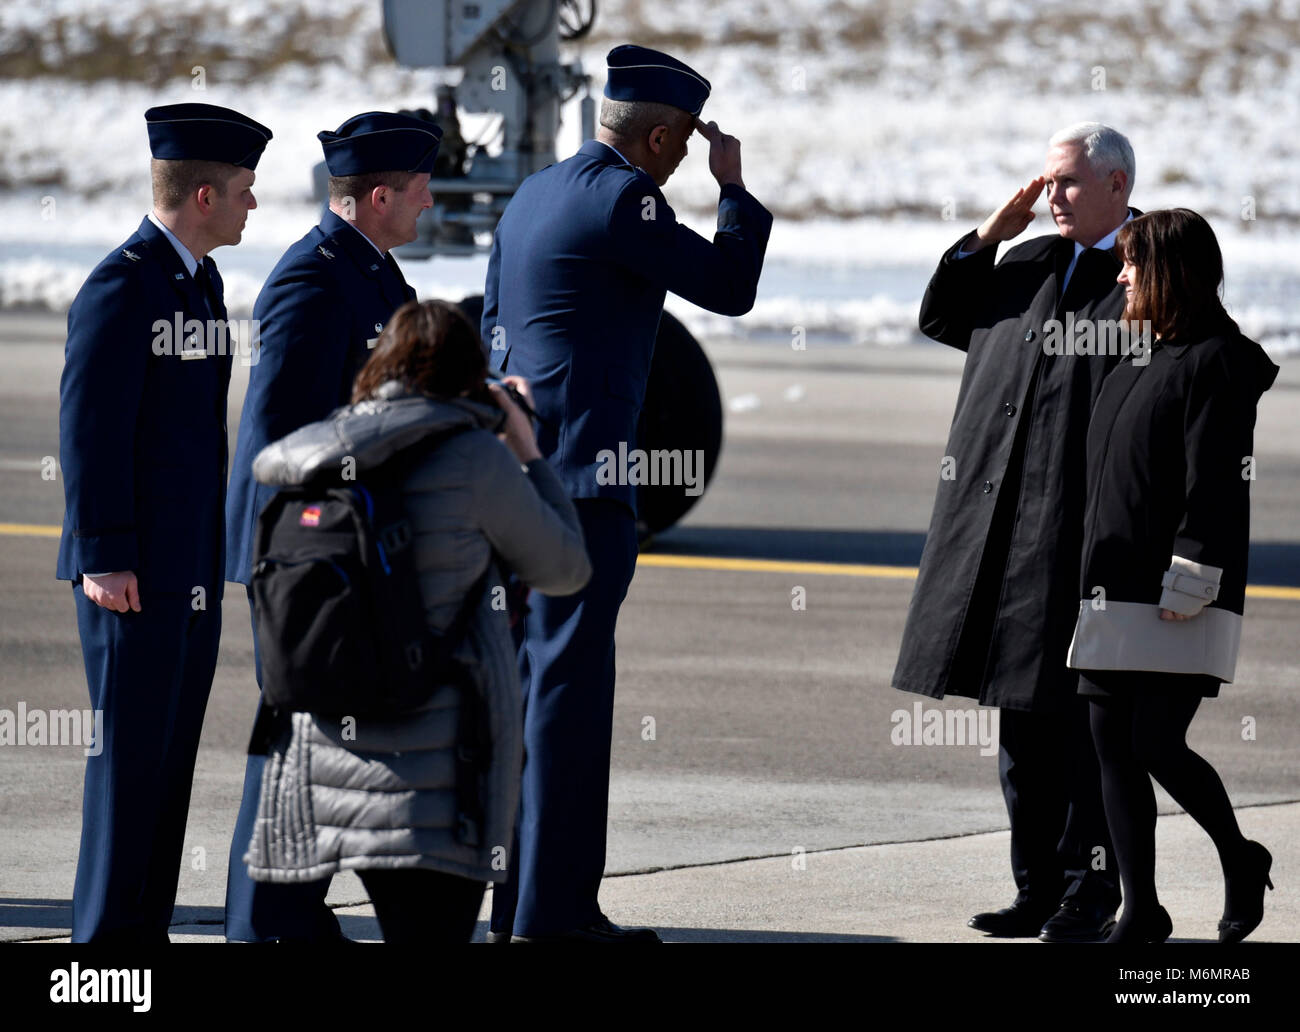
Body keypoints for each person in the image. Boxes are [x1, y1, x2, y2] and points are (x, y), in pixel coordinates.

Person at [481, 44, 773, 943]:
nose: (686, 158)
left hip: (520, 484)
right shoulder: (622, 197)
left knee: (522, 703)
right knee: (569, 707)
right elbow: (730, 286)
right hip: (585, 492)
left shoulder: (534, 192)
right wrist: (735, 190)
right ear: (654, 136)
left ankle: (519, 905)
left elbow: (492, 324)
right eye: (682, 144)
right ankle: (557, 918)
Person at [241, 299, 591, 943]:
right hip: (435, 778)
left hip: (324, 766)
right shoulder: (476, 460)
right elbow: (565, 567)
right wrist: (529, 452)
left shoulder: (325, 449)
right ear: (468, 372)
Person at [892, 122, 1140, 942]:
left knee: (1077, 725)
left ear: (1116, 186)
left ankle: (1089, 891)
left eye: (1069, 182)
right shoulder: (1026, 262)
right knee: (1017, 718)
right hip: (1000, 521)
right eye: (1048, 181)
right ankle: (1034, 887)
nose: (1052, 196)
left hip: (1078, 530)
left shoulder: (1140, 277)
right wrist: (986, 239)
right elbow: (941, 318)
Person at [223, 110, 439, 942]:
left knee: (323, 737)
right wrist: (311, 548)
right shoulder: (311, 280)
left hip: (349, 549)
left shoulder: (377, 274)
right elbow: (279, 440)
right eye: (418, 190)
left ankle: (287, 914)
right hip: (307, 553)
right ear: (377, 194)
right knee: (291, 730)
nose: (428, 203)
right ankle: (259, 920)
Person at [57, 102, 270, 943]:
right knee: (128, 770)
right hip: (131, 576)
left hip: (185, 574)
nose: (255, 206)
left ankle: (142, 939)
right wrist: (105, 554)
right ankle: (102, 952)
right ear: (206, 197)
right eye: (246, 191)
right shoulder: (123, 284)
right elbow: (90, 429)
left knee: (169, 763)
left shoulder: (198, 284)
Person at [1066, 209, 1278, 943]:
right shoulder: (1137, 358)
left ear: (1165, 271)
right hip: (1111, 585)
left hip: (1176, 589)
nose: (1120, 276)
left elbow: (1214, 483)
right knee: (1110, 749)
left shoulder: (1219, 360)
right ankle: (1142, 908)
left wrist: (1191, 576)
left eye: (1131, 264)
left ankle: (1239, 857)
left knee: (1155, 743)